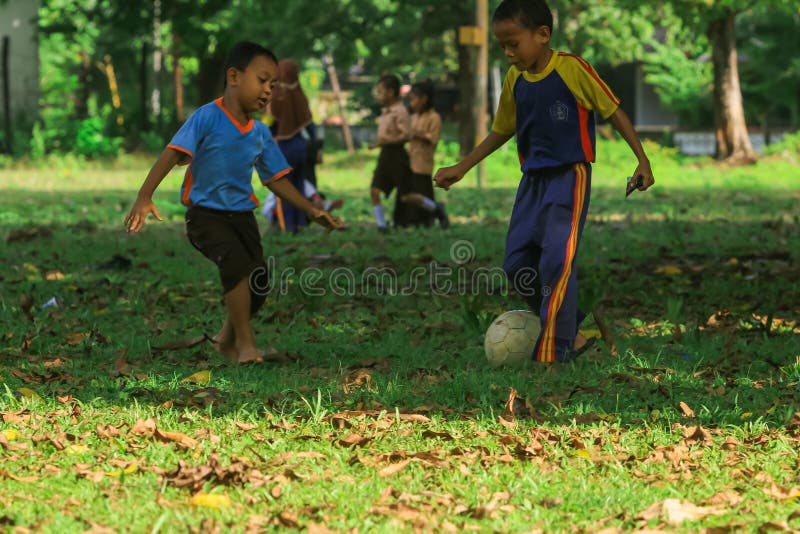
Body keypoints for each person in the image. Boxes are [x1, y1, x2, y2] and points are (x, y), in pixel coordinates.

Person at [434, 0, 654, 363]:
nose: (508, 53)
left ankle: (557, 351)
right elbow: (502, 129)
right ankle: (576, 326)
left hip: (570, 177)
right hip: (531, 183)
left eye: (513, 44)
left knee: (556, 262)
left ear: (542, 35)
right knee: (516, 265)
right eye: (502, 46)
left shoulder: (572, 69)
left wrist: (642, 159)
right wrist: (463, 166)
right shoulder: (515, 79)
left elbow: (613, 110)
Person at [124, 41, 343, 365]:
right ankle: (246, 344)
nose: (268, 90)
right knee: (237, 268)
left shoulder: (260, 133)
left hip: (242, 217)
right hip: (205, 217)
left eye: (273, 85)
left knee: (258, 282)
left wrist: (312, 210)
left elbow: (276, 179)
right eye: (262, 80)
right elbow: (172, 153)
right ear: (234, 76)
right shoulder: (207, 117)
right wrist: (145, 196)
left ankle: (225, 340)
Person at [269, 59, 321, 232]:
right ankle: (300, 224)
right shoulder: (300, 95)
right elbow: (311, 126)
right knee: (299, 187)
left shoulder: (275, 95)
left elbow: (270, 123)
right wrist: (316, 148)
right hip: (301, 147)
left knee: (285, 190)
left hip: (283, 149)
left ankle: (288, 226)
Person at [399, 79, 450, 229]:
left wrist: (415, 133)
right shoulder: (413, 117)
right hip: (410, 161)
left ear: (424, 99)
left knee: (417, 193)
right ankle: (433, 210)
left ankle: (434, 210)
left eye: (414, 99)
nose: (412, 103)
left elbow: (432, 138)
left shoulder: (434, 118)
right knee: (407, 195)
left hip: (423, 163)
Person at [369, 74, 411, 232]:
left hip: (397, 156)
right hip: (385, 155)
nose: (378, 95)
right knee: (375, 190)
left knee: (405, 196)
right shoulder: (385, 111)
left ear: (391, 92)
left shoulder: (400, 111)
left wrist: (388, 140)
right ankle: (381, 225)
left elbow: (406, 136)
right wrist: (378, 144)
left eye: (380, 92)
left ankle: (434, 207)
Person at [262, 177, 343, 230]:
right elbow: (317, 201)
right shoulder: (300, 182)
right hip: (275, 213)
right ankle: (292, 226)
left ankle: (293, 226)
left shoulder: (289, 180)